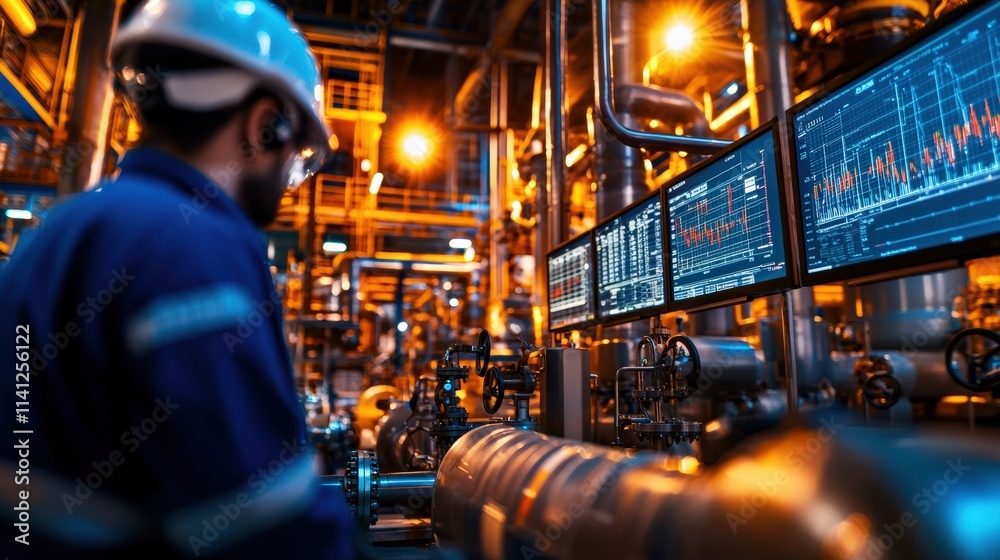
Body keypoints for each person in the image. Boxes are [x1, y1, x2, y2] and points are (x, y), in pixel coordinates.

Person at [0, 1, 355, 558]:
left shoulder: (61, 227)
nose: (291, 182)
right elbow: (261, 525)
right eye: (296, 154)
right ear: (267, 122)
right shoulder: (194, 242)